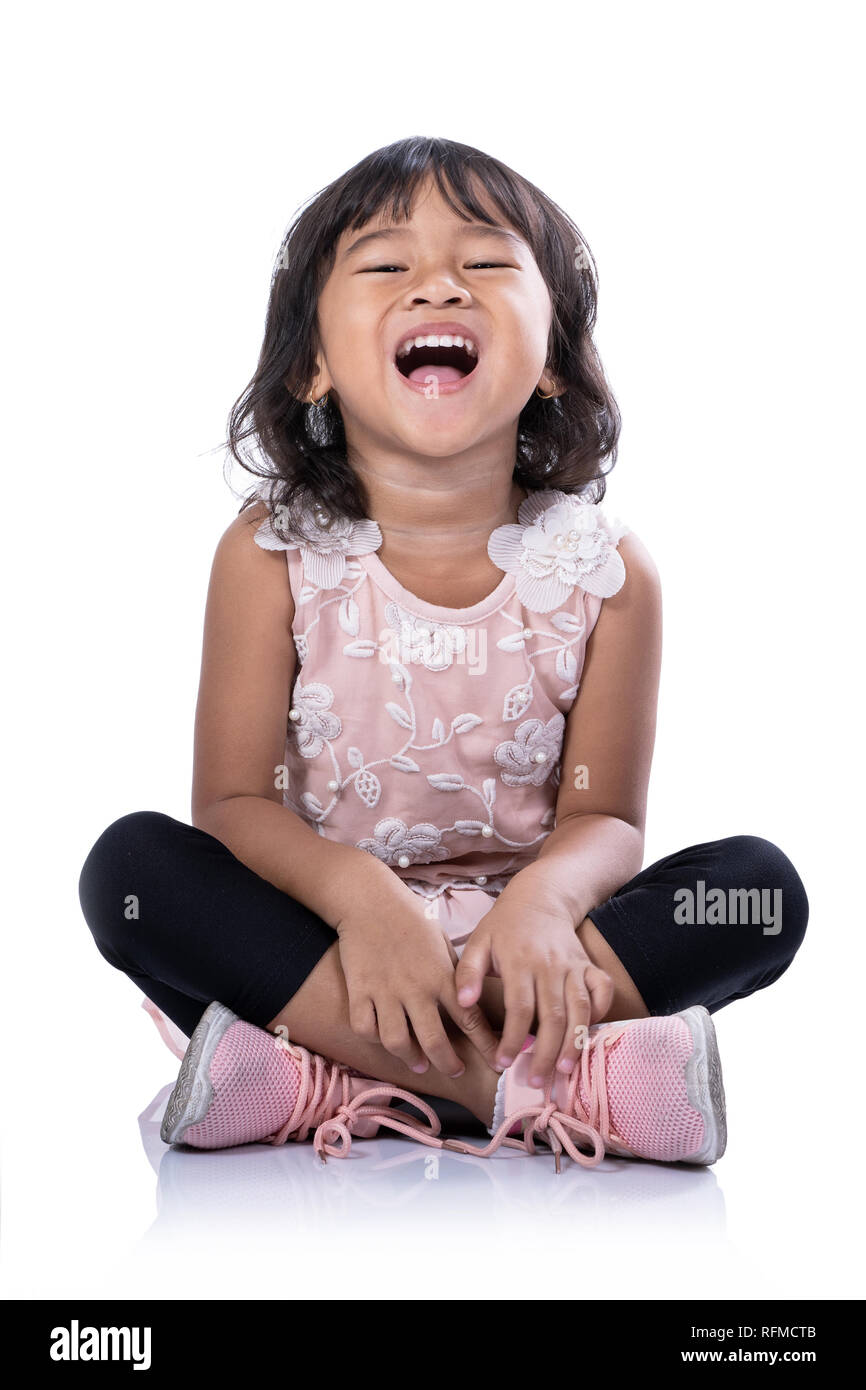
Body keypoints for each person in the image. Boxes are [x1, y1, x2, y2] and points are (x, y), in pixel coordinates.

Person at [78, 136, 808, 1172]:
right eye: (385, 267)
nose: (437, 288)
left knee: (756, 891)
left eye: (483, 263)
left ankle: (325, 1074)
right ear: (313, 367)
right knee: (131, 874)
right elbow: (236, 806)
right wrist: (361, 899)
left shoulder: (607, 575)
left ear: (549, 354)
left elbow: (603, 818)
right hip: (330, 948)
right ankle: (525, 1086)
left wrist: (545, 904)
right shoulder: (270, 555)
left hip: (530, 960)